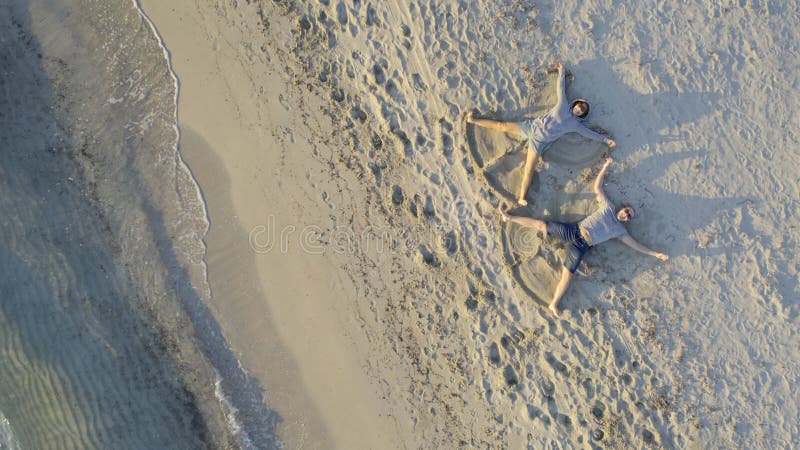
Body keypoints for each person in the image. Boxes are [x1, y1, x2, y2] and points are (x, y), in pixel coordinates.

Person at [497, 158, 668, 317]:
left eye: (629, 216)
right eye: (627, 211)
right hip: (574, 230)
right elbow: (597, 188)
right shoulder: (608, 206)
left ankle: (554, 304)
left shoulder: (620, 231)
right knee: (542, 225)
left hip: (581, 246)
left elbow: (636, 245)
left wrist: (655, 254)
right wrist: (605, 167)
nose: (626, 215)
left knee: (567, 275)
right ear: (622, 208)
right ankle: (509, 218)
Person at [468, 62, 616, 205]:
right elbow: (560, 88)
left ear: (582, 115)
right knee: (502, 125)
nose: (579, 109)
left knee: (529, 169)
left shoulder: (576, 125)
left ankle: (522, 197)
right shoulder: (563, 104)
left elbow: (589, 133)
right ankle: (473, 120)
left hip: (539, 142)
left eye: (582, 110)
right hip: (531, 127)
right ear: (575, 104)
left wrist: (606, 140)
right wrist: (561, 70)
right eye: (579, 106)